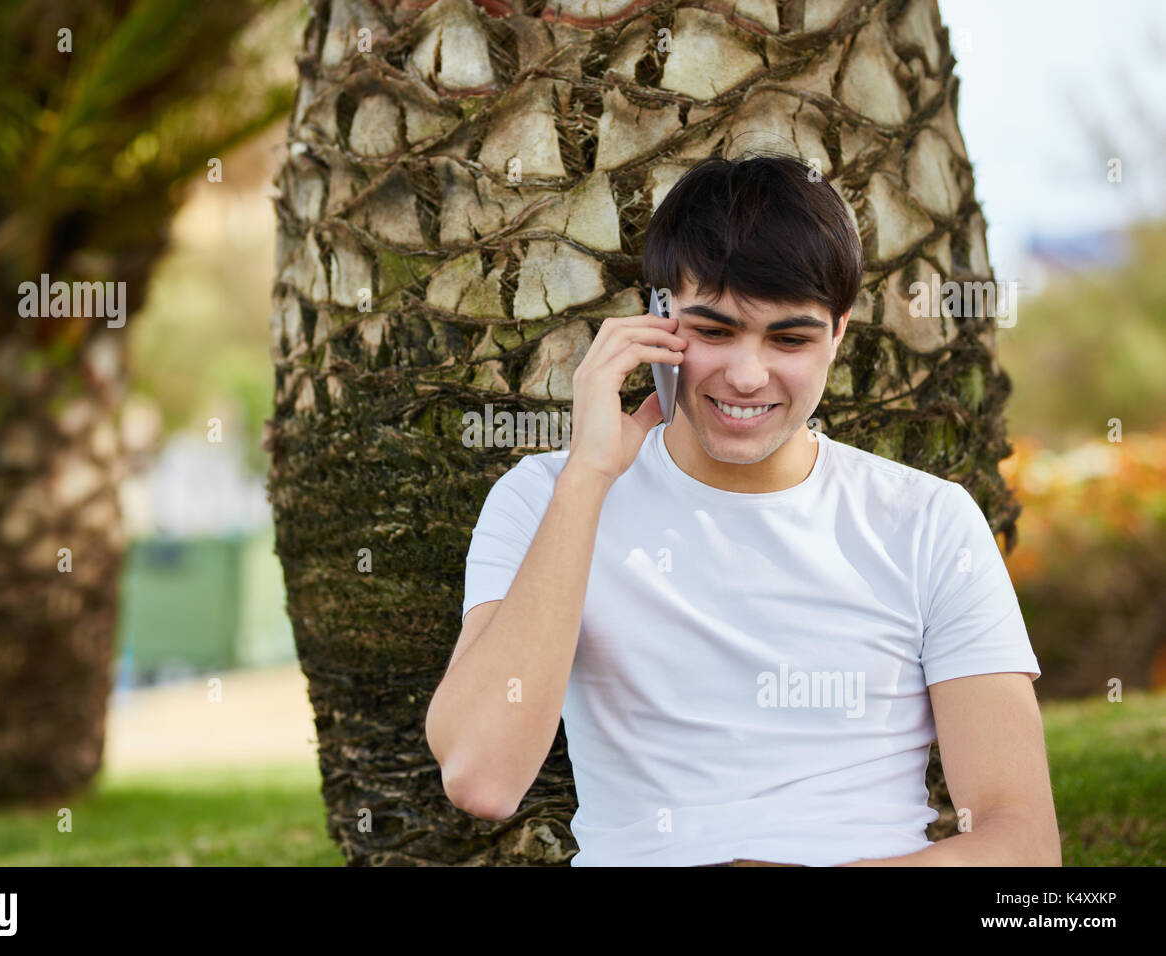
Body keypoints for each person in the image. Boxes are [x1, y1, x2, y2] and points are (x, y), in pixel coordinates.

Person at [425, 153, 1059, 867]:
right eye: (716, 331)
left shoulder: (928, 521)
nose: (748, 375)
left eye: (789, 339)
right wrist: (588, 478)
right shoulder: (545, 498)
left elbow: (1023, 846)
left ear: (840, 332)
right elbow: (482, 777)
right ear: (656, 322)